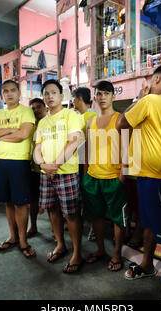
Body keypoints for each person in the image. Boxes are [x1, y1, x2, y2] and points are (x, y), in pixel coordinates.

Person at [116, 63, 161, 280]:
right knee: (152, 225)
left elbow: (120, 123)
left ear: (157, 80)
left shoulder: (149, 101)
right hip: (159, 176)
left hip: (155, 178)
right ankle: (147, 265)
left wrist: (138, 98)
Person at [33, 79, 84, 273]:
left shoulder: (70, 115)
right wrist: (42, 164)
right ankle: (61, 245)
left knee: (71, 214)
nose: (49, 96)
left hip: (66, 172)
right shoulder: (43, 121)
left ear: (62, 96)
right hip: (47, 173)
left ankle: (77, 253)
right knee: (52, 210)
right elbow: (37, 148)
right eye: (46, 93)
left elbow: (73, 142)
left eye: (53, 92)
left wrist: (55, 164)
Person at [0, 79, 36, 258]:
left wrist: (0, 135)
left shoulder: (26, 111)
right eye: (6, 91)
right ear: (2, 95)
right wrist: (9, 131)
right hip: (0, 162)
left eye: (13, 90)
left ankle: (23, 240)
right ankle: (13, 237)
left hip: (18, 161)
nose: (10, 93)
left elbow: (23, 135)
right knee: (7, 202)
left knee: (20, 203)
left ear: (18, 92)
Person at [82, 80, 127, 272]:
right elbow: (88, 150)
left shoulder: (120, 119)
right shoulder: (90, 122)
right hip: (92, 177)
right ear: (95, 97)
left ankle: (116, 253)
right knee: (96, 217)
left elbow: (127, 149)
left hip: (113, 178)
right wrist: (85, 174)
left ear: (113, 96)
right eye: (99, 94)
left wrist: (121, 177)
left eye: (106, 94)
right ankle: (100, 249)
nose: (102, 98)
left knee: (118, 219)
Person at [72, 87, 98, 241]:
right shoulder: (82, 115)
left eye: (74, 98)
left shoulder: (89, 116)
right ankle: (87, 226)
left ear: (79, 99)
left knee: (89, 197)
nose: (72, 102)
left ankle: (94, 228)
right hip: (82, 161)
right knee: (84, 197)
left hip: (86, 163)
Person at [27, 98, 48, 237]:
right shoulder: (30, 126)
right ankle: (33, 226)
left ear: (45, 108)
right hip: (33, 169)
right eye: (33, 108)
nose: (36, 110)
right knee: (33, 200)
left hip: (48, 168)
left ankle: (55, 230)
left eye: (38, 107)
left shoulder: (50, 124)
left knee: (52, 204)